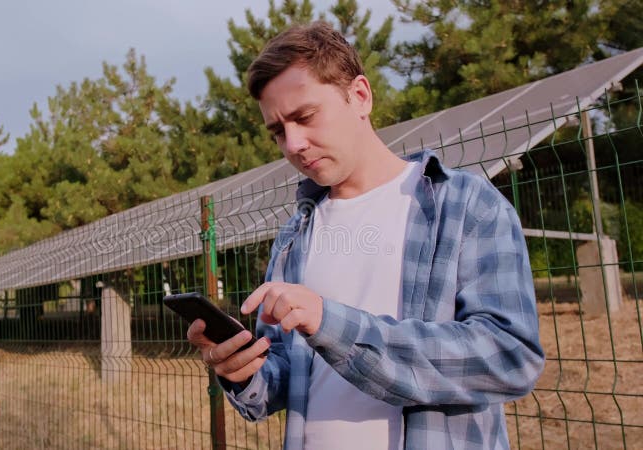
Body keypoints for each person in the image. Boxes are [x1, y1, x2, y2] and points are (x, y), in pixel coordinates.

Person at [187, 21, 544, 450]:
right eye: (278, 131)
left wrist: (332, 323)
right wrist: (242, 371)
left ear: (360, 96)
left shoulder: (465, 206)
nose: (293, 144)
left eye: (304, 117)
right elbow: (286, 380)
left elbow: (510, 357)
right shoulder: (294, 236)